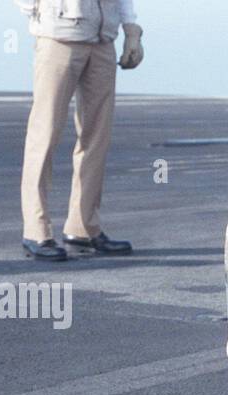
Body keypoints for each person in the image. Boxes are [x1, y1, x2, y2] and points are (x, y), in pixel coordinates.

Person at [16, 0, 144, 262]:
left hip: (102, 40)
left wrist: (132, 30)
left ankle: (83, 227)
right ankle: (35, 230)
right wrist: (41, 14)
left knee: (97, 137)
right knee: (45, 134)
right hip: (58, 37)